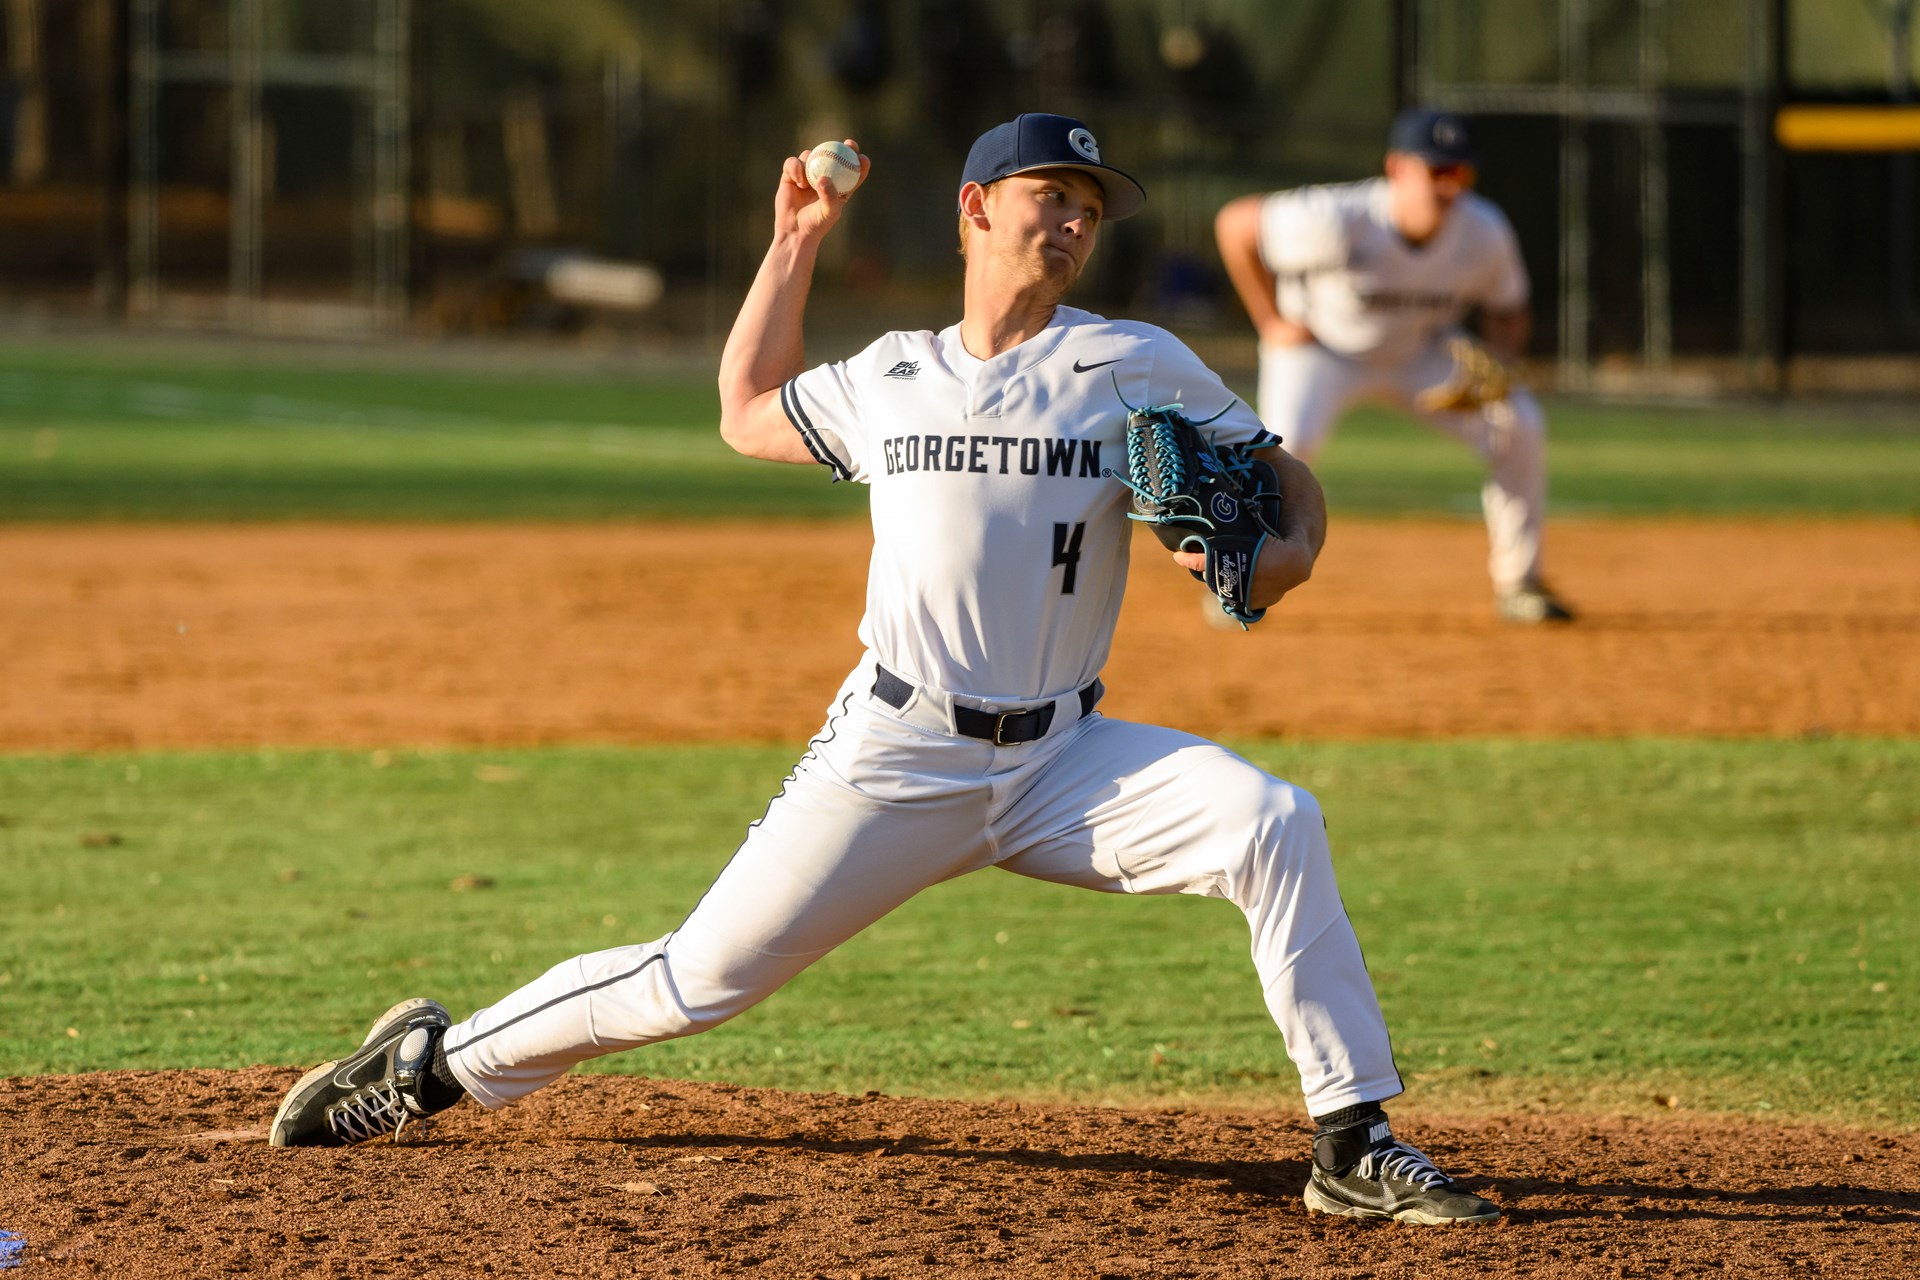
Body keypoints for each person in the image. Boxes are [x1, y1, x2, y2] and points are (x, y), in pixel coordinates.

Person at [268, 113, 1502, 1226]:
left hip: (1067, 758)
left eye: (1090, 204)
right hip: (895, 754)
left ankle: (1352, 1140)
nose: (1074, 218)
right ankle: (429, 1064)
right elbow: (746, 408)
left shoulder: (1133, 359)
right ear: (977, 208)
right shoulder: (891, 373)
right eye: (1049, 193)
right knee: (692, 981)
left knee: (1274, 820)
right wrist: (794, 240)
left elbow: (1288, 473)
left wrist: (1286, 551)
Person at [1215, 107, 1574, 623]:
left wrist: (1500, 364)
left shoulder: (1484, 230)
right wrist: (1271, 321)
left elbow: (1508, 308)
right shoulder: (1337, 217)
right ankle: (1238, 575)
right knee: (1282, 444)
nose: (1450, 187)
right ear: (1398, 168)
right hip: (1324, 350)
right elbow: (1235, 224)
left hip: (1419, 354)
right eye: (1438, 171)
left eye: (1462, 173)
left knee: (1517, 424)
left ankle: (1521, 583)